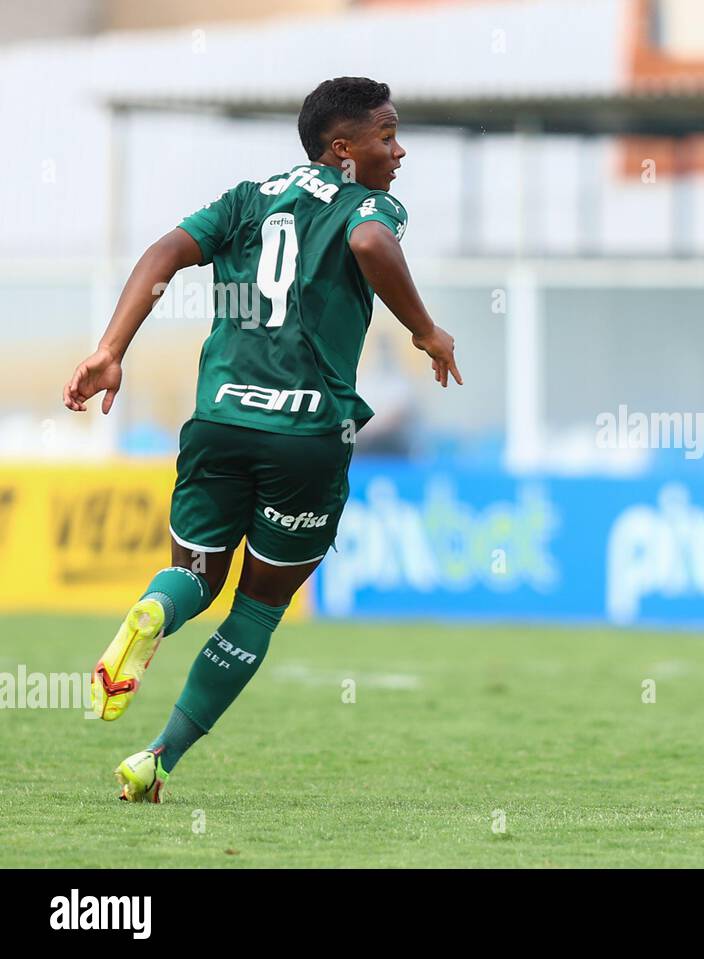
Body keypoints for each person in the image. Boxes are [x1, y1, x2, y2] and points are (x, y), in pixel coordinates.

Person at [61, 76, 461, 802]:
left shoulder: (246, 197)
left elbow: (162, 254)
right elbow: (370, 241)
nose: (398, 151)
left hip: (219, 418)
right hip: (305, 433)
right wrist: (426, 331)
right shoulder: (368, 203)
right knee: (256, 607)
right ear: (342, 151)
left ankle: (155, 610)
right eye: (386, 135)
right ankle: (156, 757)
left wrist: (111, 348)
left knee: (195, 578)